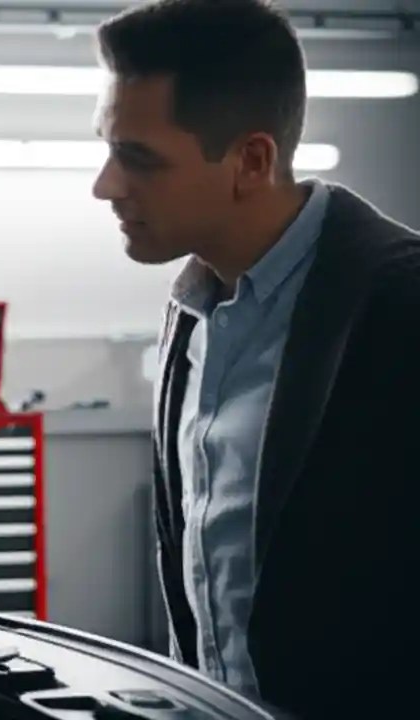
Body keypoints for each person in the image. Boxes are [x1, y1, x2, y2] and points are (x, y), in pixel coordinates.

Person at [90, 1, 418, 716]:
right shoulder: (192, 304)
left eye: (138, 157)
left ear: (252, 161)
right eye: (109, 149)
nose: (106, 185)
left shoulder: (400, 304)